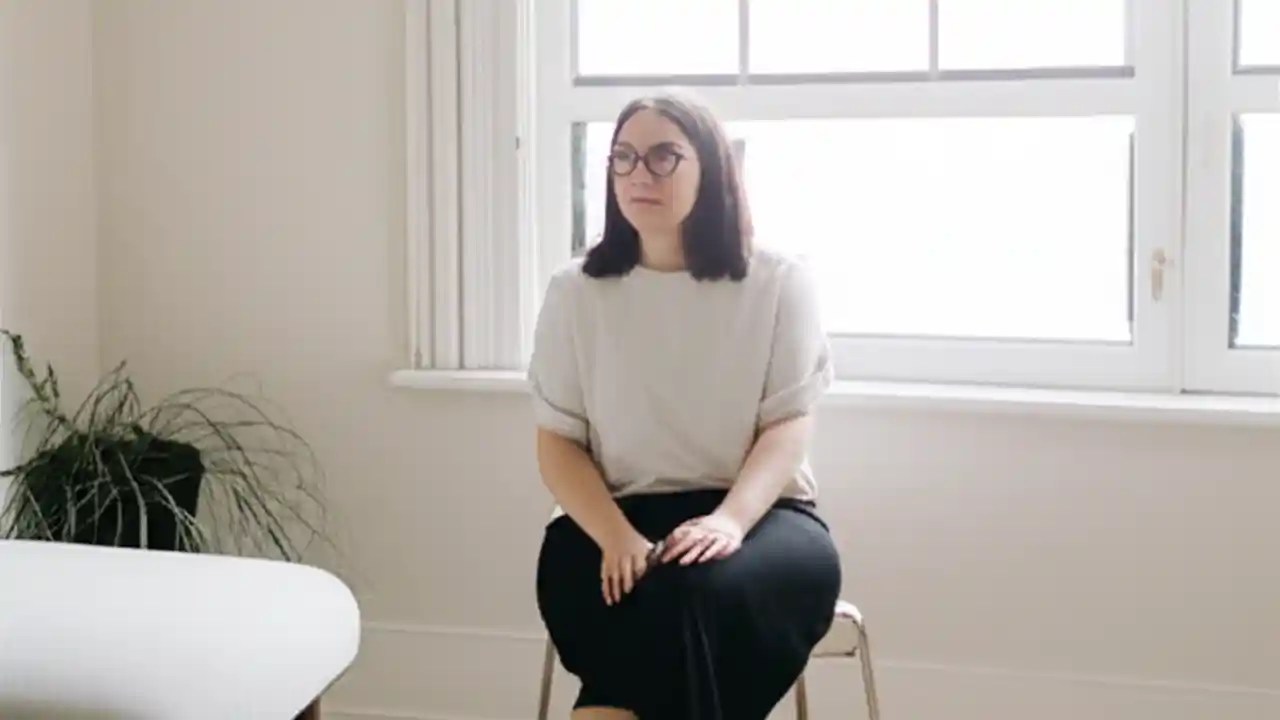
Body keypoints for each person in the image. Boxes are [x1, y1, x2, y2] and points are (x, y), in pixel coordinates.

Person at [529, 92, 841, 720]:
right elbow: (557, 443)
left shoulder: (778, 282)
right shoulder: (574, 293)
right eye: (623, 157)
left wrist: (728, 523)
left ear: (713, 168)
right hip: (605, 524)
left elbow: (788, 427)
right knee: (660, 599)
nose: (639, 173)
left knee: (688, 595)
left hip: (762, 519)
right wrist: (617, 537)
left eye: (664, 156)